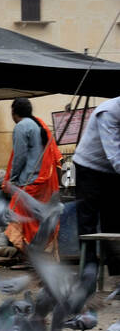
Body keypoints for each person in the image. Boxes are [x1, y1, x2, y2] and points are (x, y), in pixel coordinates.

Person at [2, 97, 61, 254]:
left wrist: (11, 180)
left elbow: (19, 156)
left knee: (22, 221)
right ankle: (42, 256)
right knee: (39, 220)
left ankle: (30, 258)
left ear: (14, 112)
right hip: (42, 181)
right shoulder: (38, 123)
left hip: (29, 181)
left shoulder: (22, 126)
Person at [72, 96, 120, 278]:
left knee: (114, 220)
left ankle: (116, 272)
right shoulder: (108, 112)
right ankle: (88, 274)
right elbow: (115, 156)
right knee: (87, 222)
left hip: (112, 171)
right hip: (89, 167)